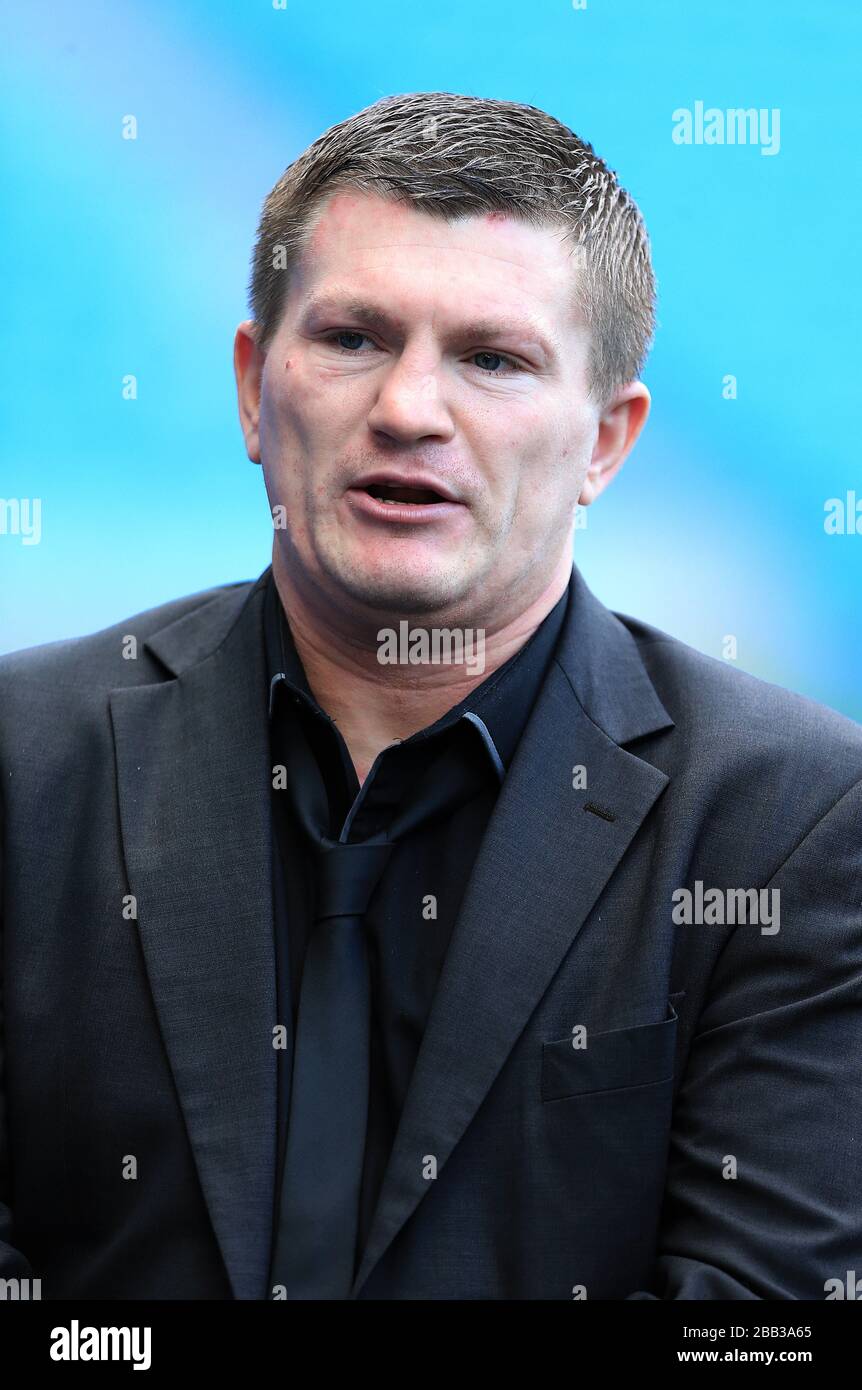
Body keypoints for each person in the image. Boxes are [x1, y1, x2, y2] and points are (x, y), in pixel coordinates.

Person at [1, 91, 860, 1301]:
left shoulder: (796, 823)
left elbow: (758, 1319)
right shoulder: (22, 763)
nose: (408, 409)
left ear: (606, 443)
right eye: (353, 337)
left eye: (492, 359)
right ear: (254, 387)